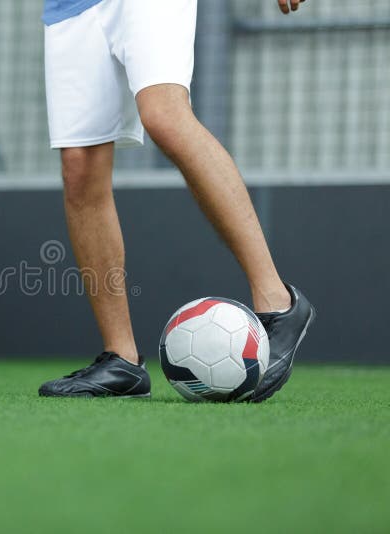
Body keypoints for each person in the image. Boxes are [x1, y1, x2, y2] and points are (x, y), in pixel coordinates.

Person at [37, 0, 314, 401]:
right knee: (80, 166)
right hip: (70, 7)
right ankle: (122, 360)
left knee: (164, 115)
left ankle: (279, 302)